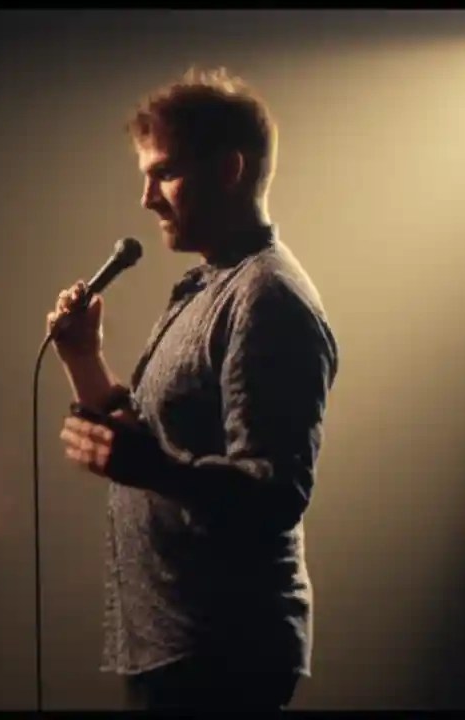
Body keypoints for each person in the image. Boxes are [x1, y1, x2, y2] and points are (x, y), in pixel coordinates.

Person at [48, 67, 338, 711]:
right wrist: (84, 359)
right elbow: (149, 443)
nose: (147, 198)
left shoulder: (268, 299)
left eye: (166, 173)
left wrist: (149, 467)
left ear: (229, 169)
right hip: (176, 641)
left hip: (224, 652)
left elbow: (274, 492)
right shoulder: (213, 285)